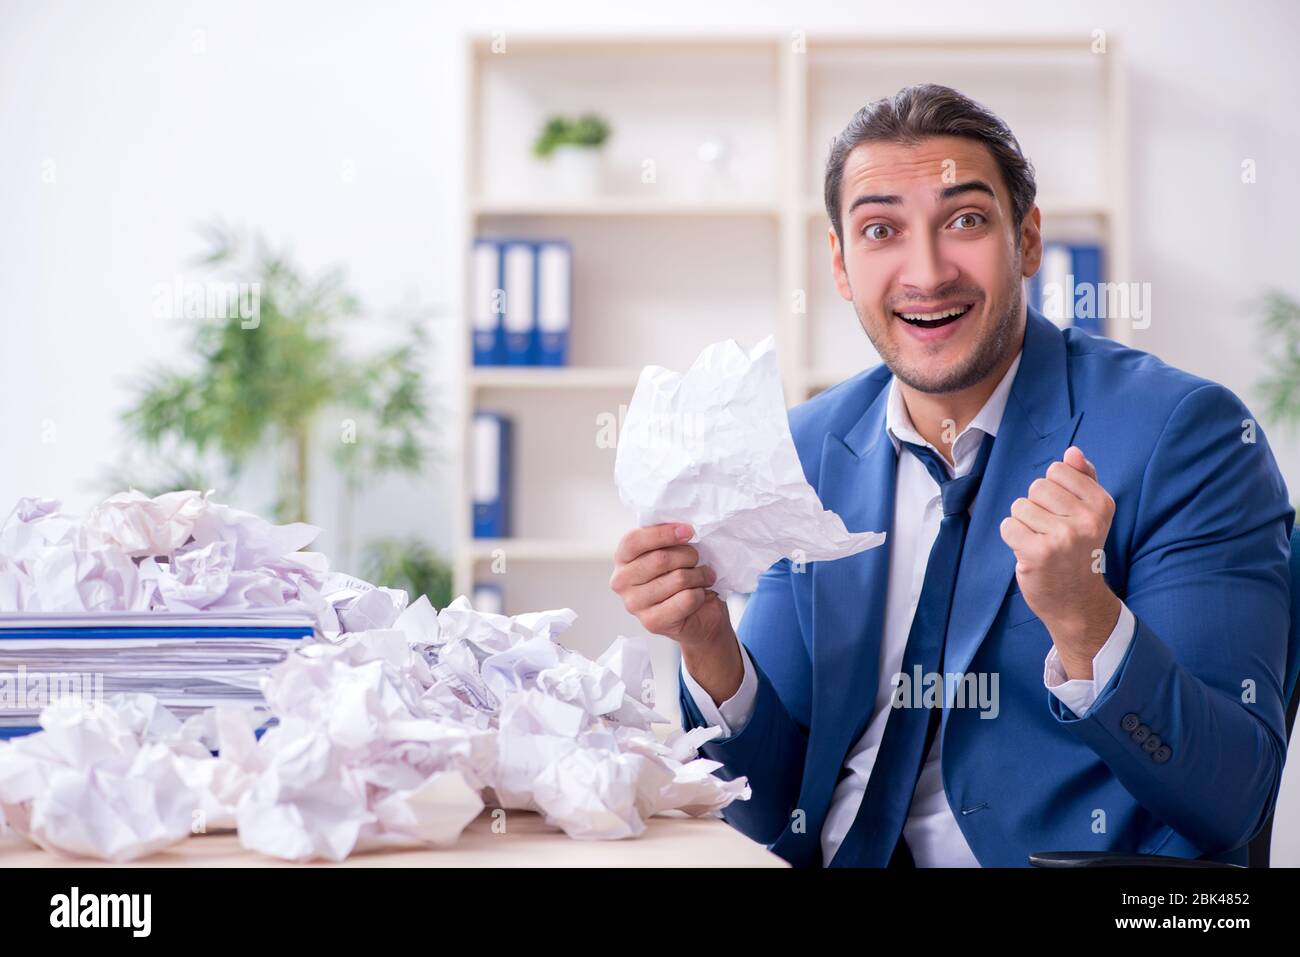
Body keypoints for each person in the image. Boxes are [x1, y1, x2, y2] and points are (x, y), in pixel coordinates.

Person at [609, 83, 1294, 867]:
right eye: (880, 230)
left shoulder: (1188, 437)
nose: (926, 272)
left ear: (1027, 240)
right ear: (839, 263)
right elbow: (769, 805)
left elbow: (1232, 795)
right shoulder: (807, 447)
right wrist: (709, 649)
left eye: (965, 220)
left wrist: (1084, 619)